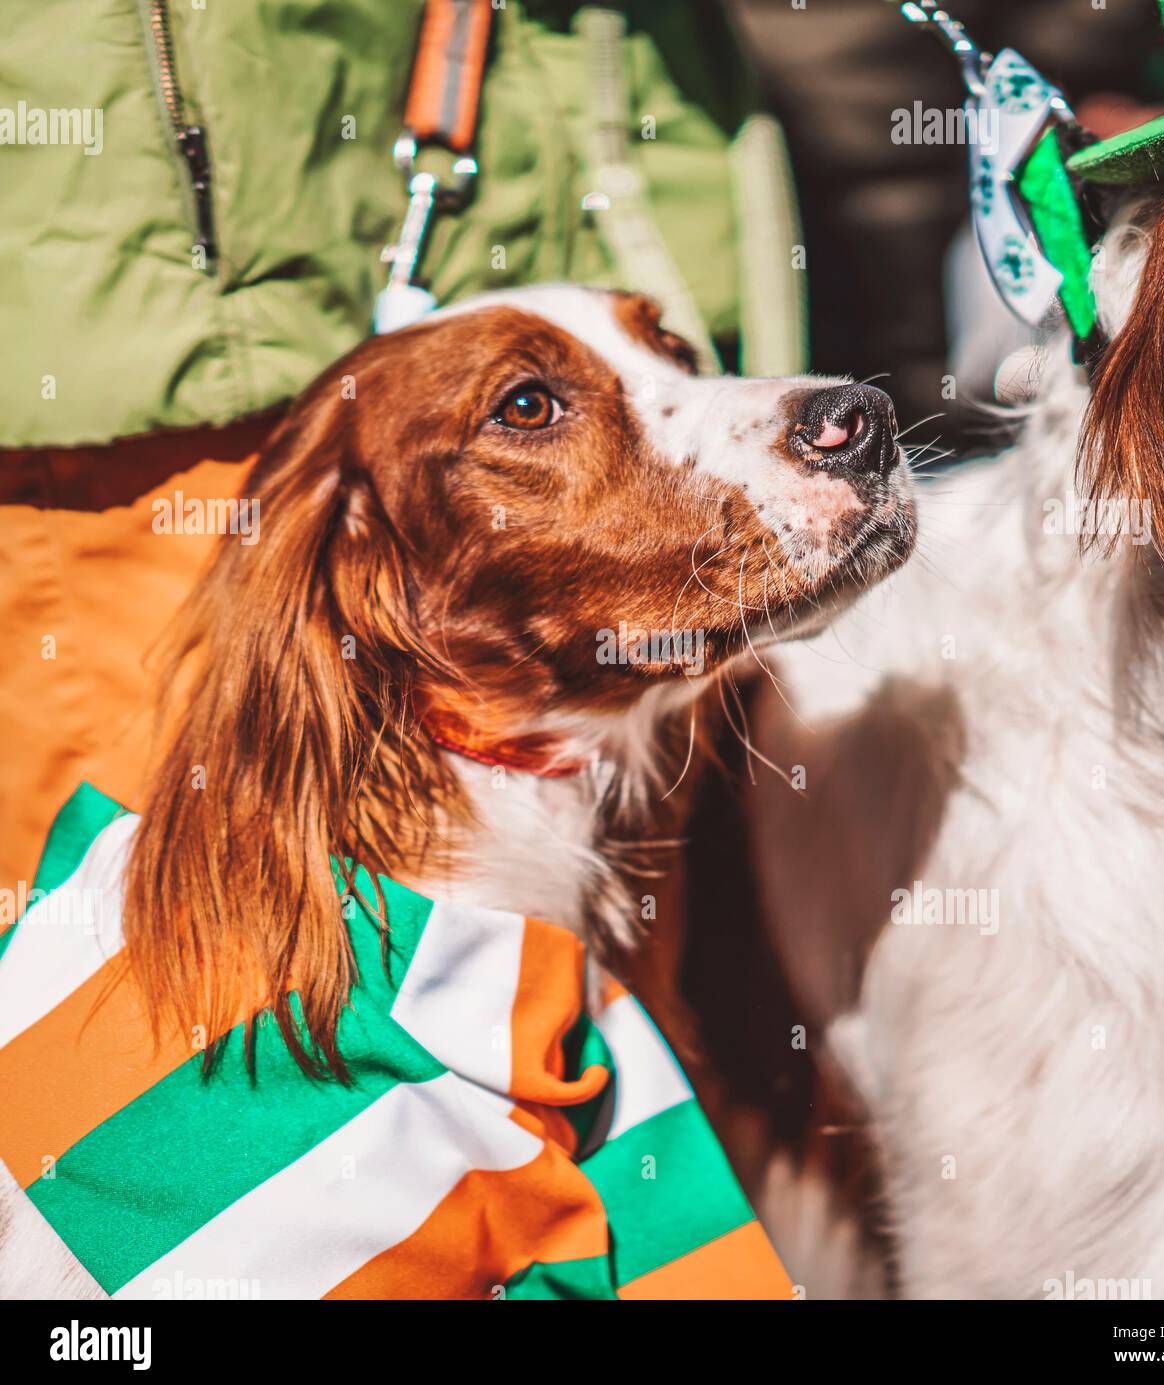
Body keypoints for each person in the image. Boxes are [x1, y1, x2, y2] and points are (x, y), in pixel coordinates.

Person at [0, 0, 805, 900]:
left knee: (612, 993)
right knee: (198, 938)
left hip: (564, 185)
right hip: (165, 359)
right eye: (533, 407)